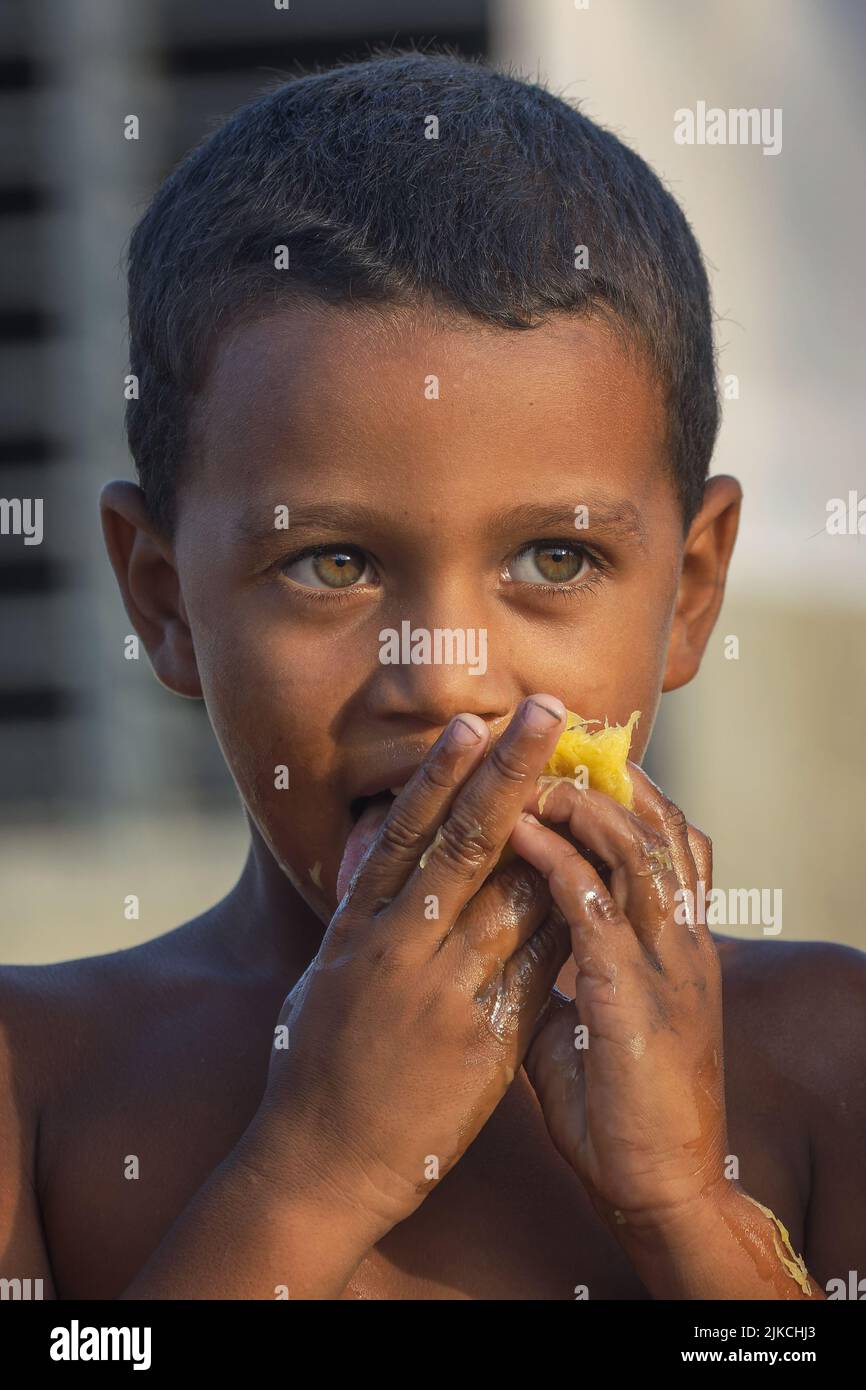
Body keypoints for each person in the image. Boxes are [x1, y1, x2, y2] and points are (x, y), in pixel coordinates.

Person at [2, 50, 863, 1300]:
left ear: (687, 593)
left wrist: (683, 1206)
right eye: (332, 562)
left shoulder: (819, 1062)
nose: (448, 675)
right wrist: (316, 1171)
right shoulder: (40, 1085)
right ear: (160, 598)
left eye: (553, 556)